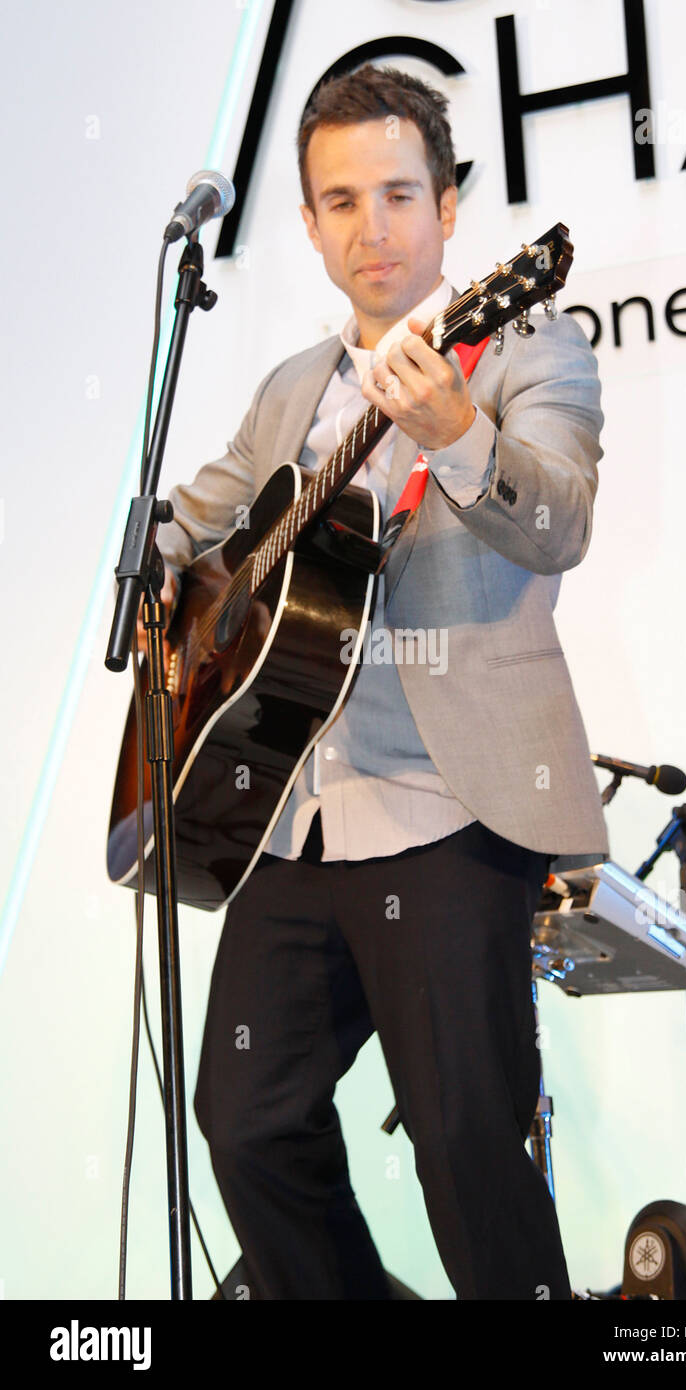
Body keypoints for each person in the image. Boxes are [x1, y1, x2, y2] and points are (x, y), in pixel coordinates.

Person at [151, 64, 609, 1300]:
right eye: (341, 201)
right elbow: (189, 530)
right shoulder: (292, 392)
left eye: (400, 193)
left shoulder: (527, 344)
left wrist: (459, 431)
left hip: (448, 815)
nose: (374, 227)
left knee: (468, 1149)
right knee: (243, 1120)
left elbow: (557, 518)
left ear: (449, 206)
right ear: (305, 225)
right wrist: (164, 594)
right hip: (290, 818)